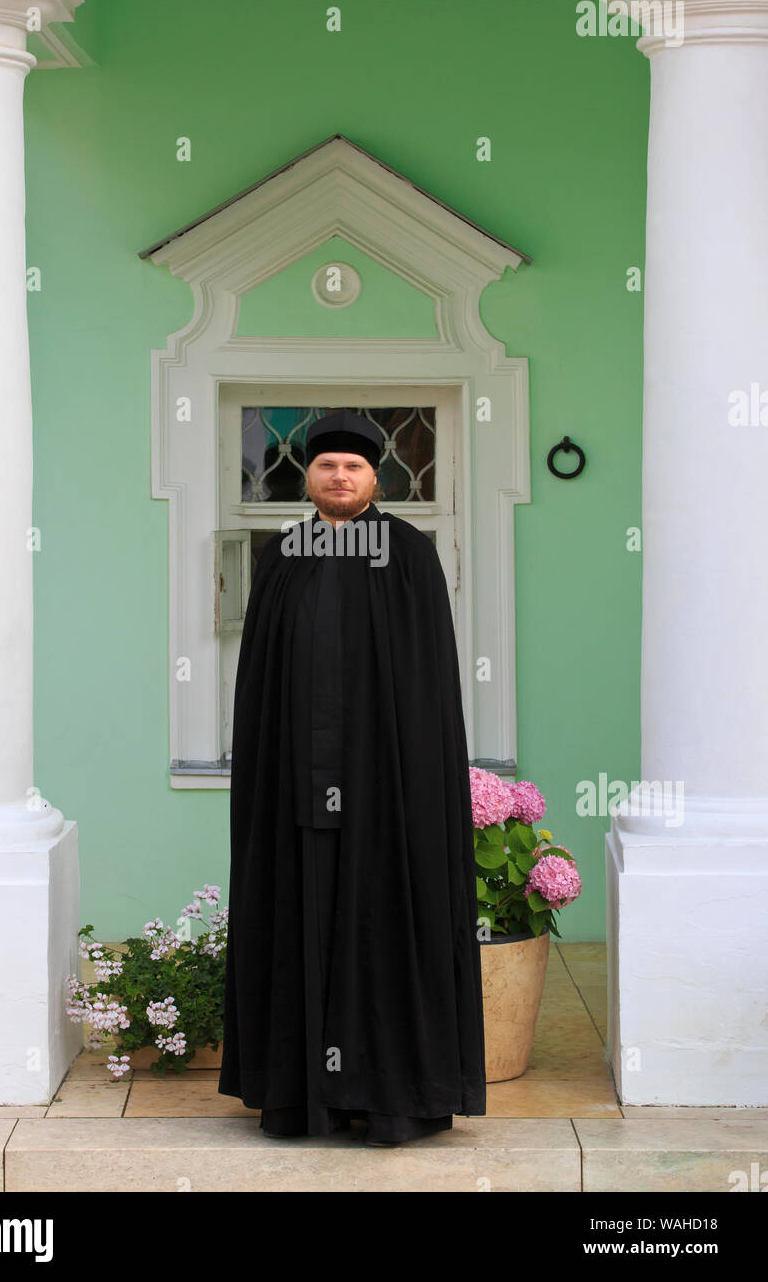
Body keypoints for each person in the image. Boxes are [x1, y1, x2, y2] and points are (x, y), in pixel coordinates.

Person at [217, 409, 486, 1145]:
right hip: (293, 789)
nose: (341, 476)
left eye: (355, 466)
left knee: (381, 924)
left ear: (376, 476)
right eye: (328, 464)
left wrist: (408, 778)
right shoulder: (281, 556)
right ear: (309, 476)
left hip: (386, 792)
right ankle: (299, 1098)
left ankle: (394, 1096)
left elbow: (426, 688)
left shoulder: (408, 554)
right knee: (297, 920)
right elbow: (262, 684)